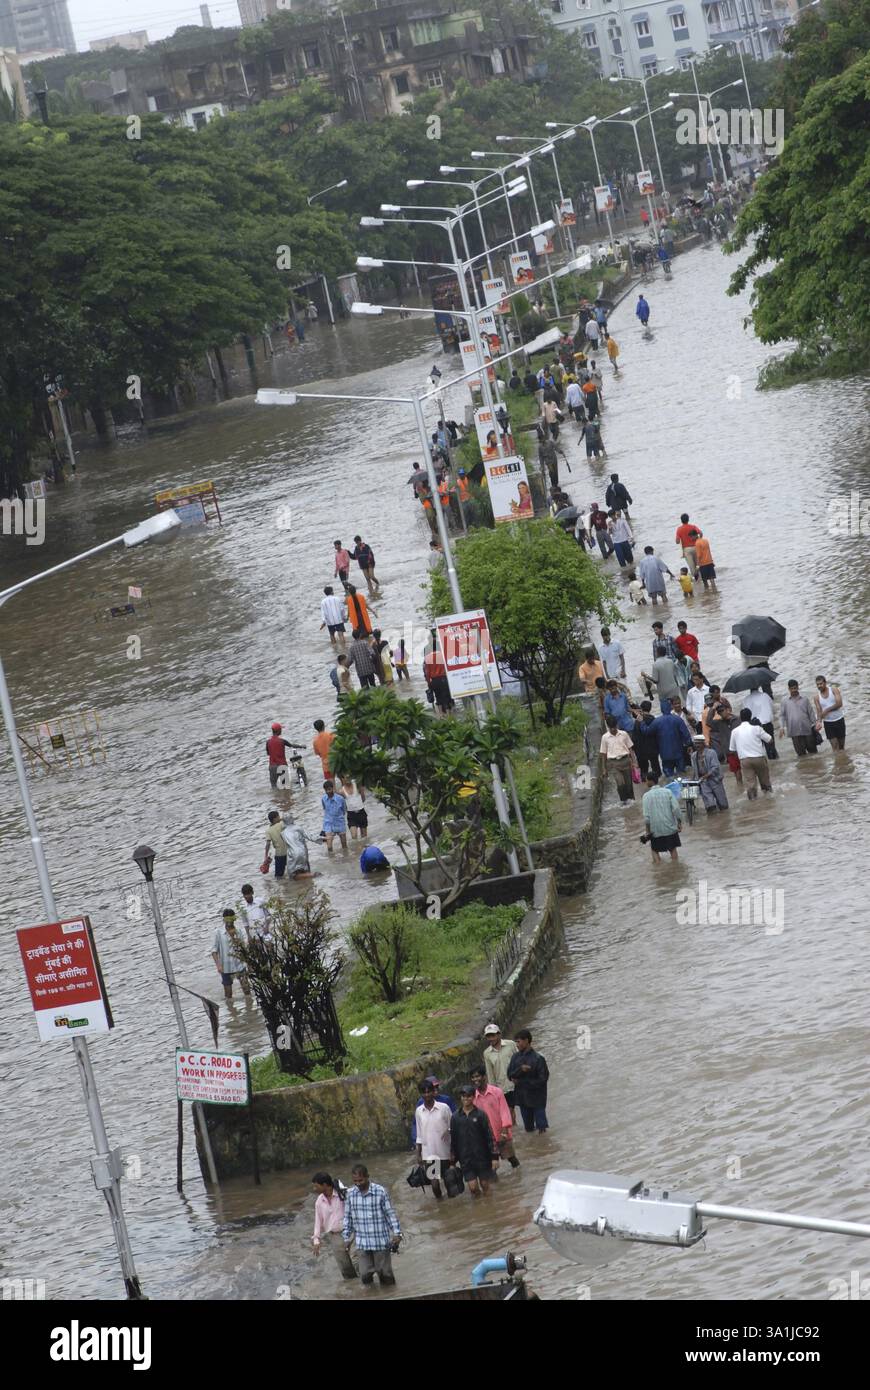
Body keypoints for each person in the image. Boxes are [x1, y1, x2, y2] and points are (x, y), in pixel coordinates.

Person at [342, 1165, 401, 1286]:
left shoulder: (380, 1191)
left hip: (380, 1242)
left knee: (385, 1275)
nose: (358, 1183)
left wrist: (397, 1233)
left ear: (368, 1177)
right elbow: (347, 1217)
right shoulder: (350, 1194)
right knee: (365, 1276)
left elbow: (390, 1214)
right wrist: (346, 1238)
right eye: (355, 1181)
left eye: (361, 1180)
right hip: (362, 1243)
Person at [450, 1085, 500, 1196]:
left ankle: (489, 1207)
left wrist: (494, 1157)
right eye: (463, 1096)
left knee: (485, 1185)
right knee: (473, 1188)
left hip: (482, 1157)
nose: (465, 1098)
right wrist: (452, 1162)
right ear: (460, 1097)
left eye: (468, 1096)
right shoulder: (455, 1118)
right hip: (466, 1159)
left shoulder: (481, 1115)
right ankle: (479, 1207)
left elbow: (490, 1136)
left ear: (473, 1097)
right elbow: (453, 1140)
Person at [471, 1066, 519, 1169]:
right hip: (486, 1138)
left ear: (484, 1076)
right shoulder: (473, 1097)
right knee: (491, 1167)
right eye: (473, 1077)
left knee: (512, 1159)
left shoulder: (497, 1092)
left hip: (501, 1133)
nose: (475, 1079)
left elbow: (504, 1111)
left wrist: (504, 1130)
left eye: (477, 1076)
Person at [311, 1173, 357, 1279]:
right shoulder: (319, 1201)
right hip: (335, 1236)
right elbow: (318, 1221)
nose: (314, 1189)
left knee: (358, 1262)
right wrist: (316, 1239)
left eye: (316, 1186)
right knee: (346, 1270)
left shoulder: (343, 1194)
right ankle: (353, 1291)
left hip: (352, 1233)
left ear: (325, 1184)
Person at [414, 1080, 454, 1198]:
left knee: (449, 1183)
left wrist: (453, 1151)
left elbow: (453, 1126)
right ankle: (440, 1206)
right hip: (430, 1155)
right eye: (424, 1093)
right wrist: (418, 1154)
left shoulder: (444, 1108)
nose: (427, 1095)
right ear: (421, 1094)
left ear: (433, 1092)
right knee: (435, 1185)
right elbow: (419, 1134)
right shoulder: (419, 1111)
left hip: (445, 1152)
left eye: (429, 1092)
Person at [507, 1029, 549, 1134]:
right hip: (522, 1098)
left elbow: (543, 1080)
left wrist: (522, 1082)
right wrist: (520, 1070)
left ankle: (543, 1146)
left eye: (518, 1041)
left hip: (537, 1098)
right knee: (528, 1128)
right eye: (516, 1042)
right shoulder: (515, 1057)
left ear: (526, 1040)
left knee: (541, 1126)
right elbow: (509, 1075)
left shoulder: (538, 1059)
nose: (516, 1044)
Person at [729, 710, 773, 799]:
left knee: (750, 784)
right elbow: (770, 740)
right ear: (750, 717)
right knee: (765, 781)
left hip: (745, 760)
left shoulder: (735, 731)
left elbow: (732, 749)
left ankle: (753, 802)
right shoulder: (757, 728)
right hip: (759, 758)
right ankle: (769, 800)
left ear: (740, 718)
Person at [641, 770, 682, 862]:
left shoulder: (646, 796)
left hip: (656, 831)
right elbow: (676, 809)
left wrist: (648, 832)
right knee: (672, 849)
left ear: (650, 781)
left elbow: (647, 818)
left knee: (654, 850)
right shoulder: (668, 792)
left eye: (646, 780)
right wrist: (679, 823)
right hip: (670, 828)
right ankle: (675, 868)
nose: (646, 782)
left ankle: (659, 871)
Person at [211, 909, 251, 1001]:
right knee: (228, 995)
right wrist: (218, 965)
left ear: (234, 919)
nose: (229, 922)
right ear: (224, 920)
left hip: (239, 964)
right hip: (226, 967)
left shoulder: (239, 931)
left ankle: (249, 1008)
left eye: (231, 919)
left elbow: (243, 948)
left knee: (247, 991)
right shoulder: (218, 933)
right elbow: (214, 951)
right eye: (227, 919)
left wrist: (248, 963)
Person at [482, 1024, 518, 1123]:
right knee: (509, 1111)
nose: (491, 1038)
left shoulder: (510, 1044)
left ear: (499, 1034)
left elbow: (520, 1059)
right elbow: (490, 1073)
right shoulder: (487, 1053)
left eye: (493, 1035)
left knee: (525, 1108)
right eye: (488, 1036)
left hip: (517, 1084)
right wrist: (492, 1090)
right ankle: (514, 1130)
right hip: (502, 1087)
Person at [600, 715, 639, 803]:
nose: (613, 729)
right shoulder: (605, 738)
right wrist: (604, 769)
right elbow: (603, 754)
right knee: (620, 783)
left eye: (614, 727)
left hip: (626, 761)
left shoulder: (624, 734)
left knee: (629, 784)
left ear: (617, 725)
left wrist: (634, 762)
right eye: (611, 728)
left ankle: (631, 802)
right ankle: (623, 802)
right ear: (608, 727)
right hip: (614, 763)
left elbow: (630, 749)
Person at [648, 705, 693, 776]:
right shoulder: (677, 719)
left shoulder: (657, 721)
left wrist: (641, 723)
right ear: (670, 709)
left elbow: (648, 732)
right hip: (678, 752)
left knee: (669, 776)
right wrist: (689, 744)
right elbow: (685, 733)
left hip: (665, 754)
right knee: (682, 774)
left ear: (661, 710)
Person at [690, 735, 729, 814]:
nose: (697, 745)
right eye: (695, 744)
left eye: (699, 743)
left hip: (714, 780)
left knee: (723, 805)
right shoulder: (694, 756)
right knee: (710, 806)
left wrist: (706, 776)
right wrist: (693, 780)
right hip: (703, 781)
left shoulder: (711, 753)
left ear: (703, 743)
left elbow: (715, 767)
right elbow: (694, 770)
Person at [780, 680, 818, 757]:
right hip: (794, 731)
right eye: (792, 689)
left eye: (795, 688)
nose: (794, 690)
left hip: (807, 729)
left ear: (798, 687)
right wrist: (781, 727)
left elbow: (811, 713)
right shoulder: (784, 701)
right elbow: (782, 715)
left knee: (813, 752)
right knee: (801, 755)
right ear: (789, 689)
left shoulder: (805, 699)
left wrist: (816, 724)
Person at [644, 643, 682, 715]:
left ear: (657, 653)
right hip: (674, 689)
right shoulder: (671, 661)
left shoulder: (656, 664)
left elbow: (655, 680)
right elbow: (675, 675)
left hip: (664, 693)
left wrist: (646, 676)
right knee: (676, 711)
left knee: (666, 713)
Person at [744, 685, 778, 759]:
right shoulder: (765, 695)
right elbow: (773, 708)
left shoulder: (746, 699)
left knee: (758, 748)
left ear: (750, 689)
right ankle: (774, 759)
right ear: (758, 687)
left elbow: (745, 715)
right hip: (767, 724)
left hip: (754, 726)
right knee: (771, 744)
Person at [423, 636, 454, 715]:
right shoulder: (443, 655)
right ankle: (450, 714)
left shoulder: (427, 658)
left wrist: (428, 683)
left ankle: (441, 715)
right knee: (447, 696)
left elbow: (427, 673)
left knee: (438, 697)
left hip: (434, 681)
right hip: (444, 679)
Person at [265, 721, 301, 789]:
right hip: (282, 766)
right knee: (286, 787)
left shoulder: (268, 742)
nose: (281, 730)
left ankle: (276, 799)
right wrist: (301, 746)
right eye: (281, 729)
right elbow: (292, 745)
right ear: (278, 731)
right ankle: (286, 798)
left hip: (272, 767)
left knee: (274, 787)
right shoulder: (282, 741)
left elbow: (268, 753)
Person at [632, 701, 661, 781]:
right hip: (652, 749)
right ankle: (657, 781)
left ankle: (644, 780)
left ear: (641, 708)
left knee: (644, 769)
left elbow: (634, 737)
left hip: (641, 750)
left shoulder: (637, 721)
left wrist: (635, 749)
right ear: (650, 709)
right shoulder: (653, 720)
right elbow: (657, 735)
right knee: (656, 767)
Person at [814, 675, 845, 749]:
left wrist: (827, 710)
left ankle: (842, 760)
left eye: (821, 684)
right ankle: (837, 760)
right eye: (817, 684)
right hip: (828, 723)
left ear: (825, 683)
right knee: (834, 746)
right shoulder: (816, 697)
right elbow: (819, 711)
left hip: (839, 720)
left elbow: (839, 704)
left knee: (841, 746)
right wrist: (819, 722)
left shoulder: (834, 690)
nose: (819, 686)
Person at [321, 779, 348, 851]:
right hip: (328, 824)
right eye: (326, 790)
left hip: (339, 823)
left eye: (329, 789)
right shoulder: (323, 799)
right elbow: (325, 809)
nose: (328, 792)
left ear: (332, 788)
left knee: (344, 845)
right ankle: (331, 859)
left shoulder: (340, 799)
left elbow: (344, 810)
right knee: (329, 846)